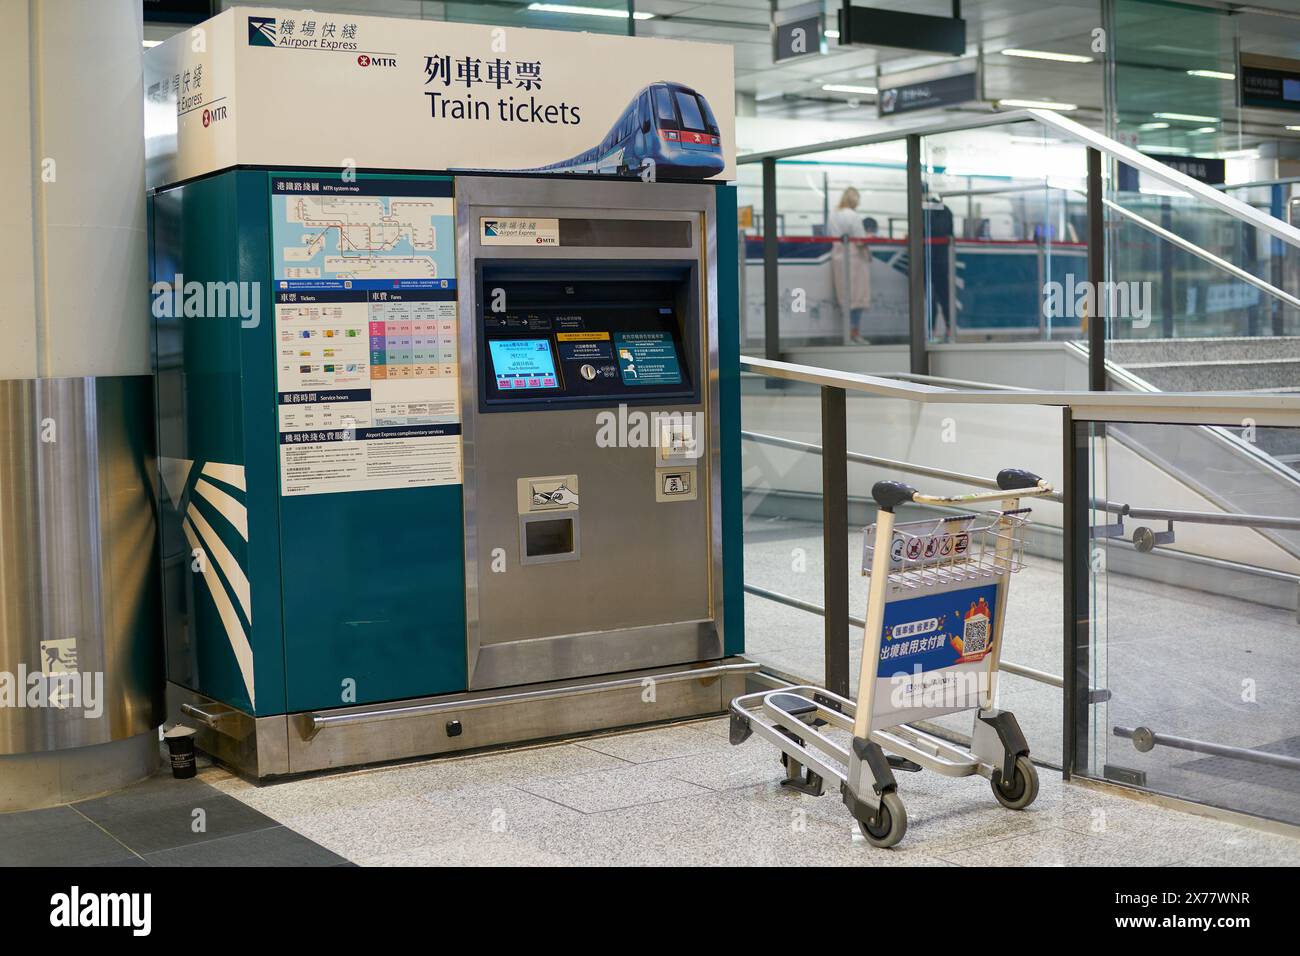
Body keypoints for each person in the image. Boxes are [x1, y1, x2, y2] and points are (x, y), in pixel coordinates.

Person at [827, 187, 873, 343]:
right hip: (854, 257)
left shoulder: (833, 214)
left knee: (845, 296)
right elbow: (860, 239)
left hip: (838, 255)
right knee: (857, 297)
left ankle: (847, 334)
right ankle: (854, 333)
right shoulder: (853, 215)